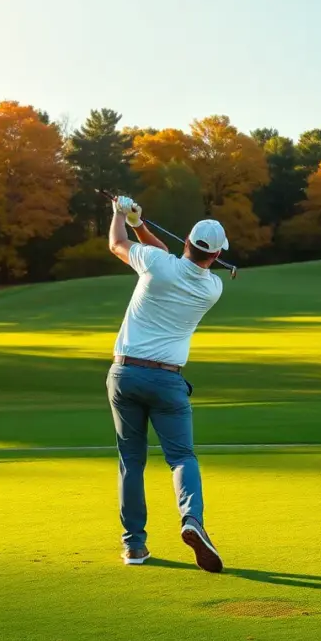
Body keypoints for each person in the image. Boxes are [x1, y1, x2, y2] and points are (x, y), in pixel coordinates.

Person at [105, 194, 226, 573]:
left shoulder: (157, 264)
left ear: (186, 241)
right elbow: (169, 260)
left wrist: (121, 216)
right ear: (217, 256)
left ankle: (134, 547)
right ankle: (192, 519)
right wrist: (143, 225)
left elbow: (117, 245)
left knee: (131, 461)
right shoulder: (212, 289)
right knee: (181, 457)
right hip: (168, 381)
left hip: (125, 374)